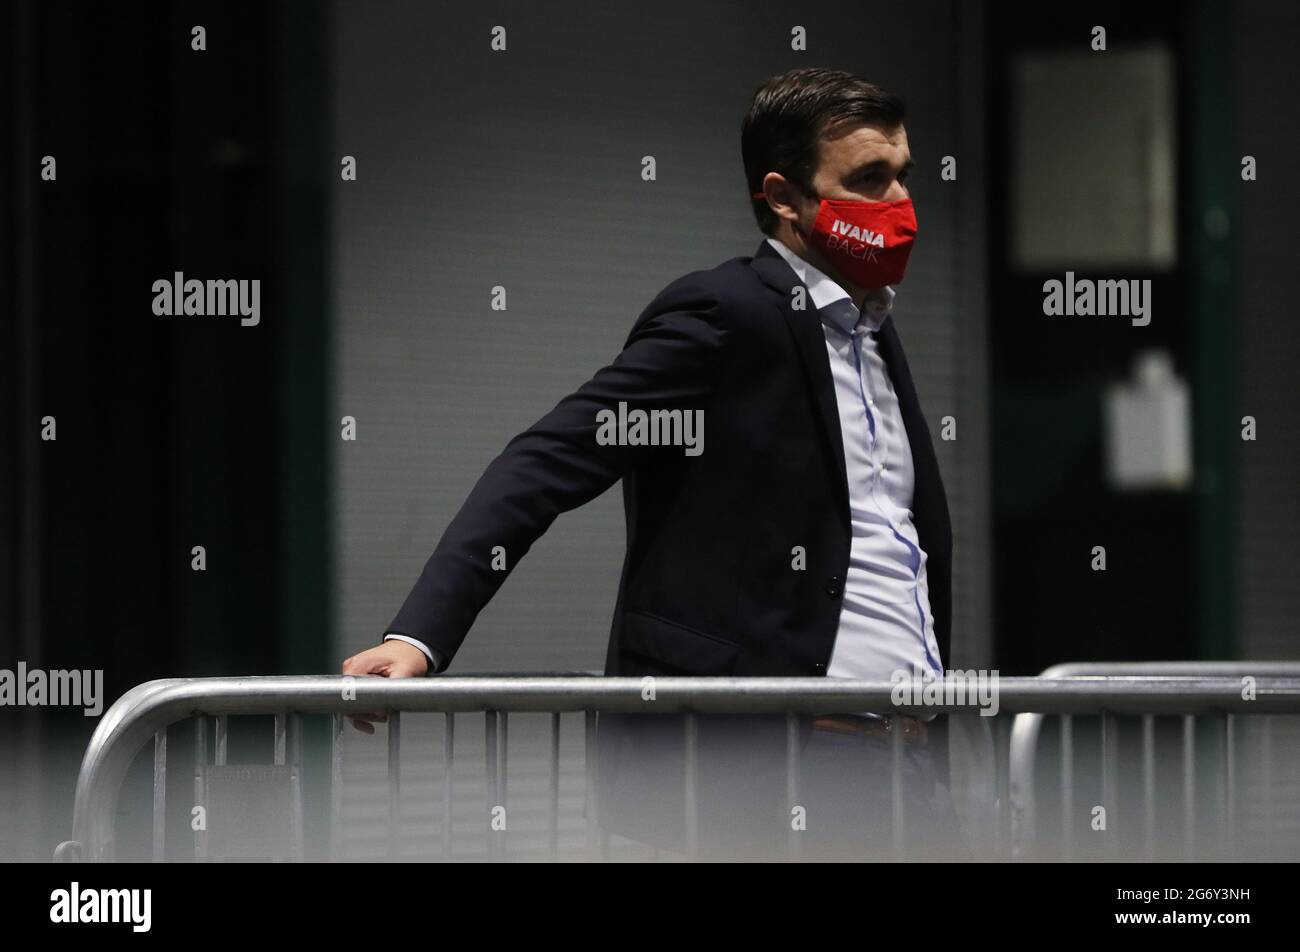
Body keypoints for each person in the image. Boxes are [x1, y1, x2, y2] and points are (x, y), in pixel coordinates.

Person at [343, 66, 967, 861]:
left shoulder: (876, 333)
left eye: (903, 176)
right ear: (783, 197)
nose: (898, 204)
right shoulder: (725, 316)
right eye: (868, 180)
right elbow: (549, 457)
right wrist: (419, 637)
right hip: (788, 764)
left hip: (909, 758)